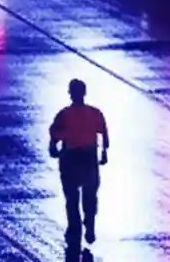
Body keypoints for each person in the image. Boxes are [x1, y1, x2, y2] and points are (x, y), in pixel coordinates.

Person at [49, 78, 110, 247]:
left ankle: (74, 226)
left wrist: (53, 147)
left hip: (71, 157)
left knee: (71, 195)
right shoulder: (94, 113)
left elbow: (54, 133)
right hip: (89, 157)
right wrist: (104, 152)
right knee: (90, 194)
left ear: (71, 94)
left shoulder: (64, 114)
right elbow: (104, 132)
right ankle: (89, 222)